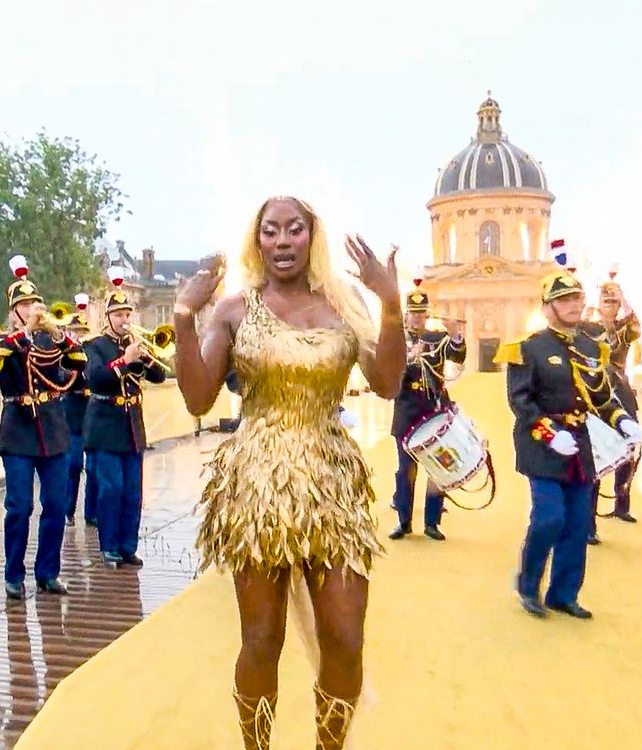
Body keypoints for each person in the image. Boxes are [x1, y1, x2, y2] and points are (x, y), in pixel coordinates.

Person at [172, 196, 404, 749]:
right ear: (257, 241)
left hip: (330, 480)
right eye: (270, 231)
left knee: (345, 639)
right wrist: (184, 317)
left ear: (311, 237)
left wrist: (390, 304)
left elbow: (389, 383)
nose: (282, 241)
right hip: (258, 484)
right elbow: (199, 398)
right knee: (261, 638)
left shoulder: (345, 306)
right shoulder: (234, 310)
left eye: (293, 230)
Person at [498, 267, 641, 620]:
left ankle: (563, 594)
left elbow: (601, 396)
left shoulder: (592, 348)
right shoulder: (528, 349)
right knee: (549, 518)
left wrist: (621, 420)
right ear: (548, 308)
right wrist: (551, 434)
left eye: (576, 297)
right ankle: (528, 584)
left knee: (577, 525)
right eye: (564, 299)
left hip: (579, 447)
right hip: (543, 445)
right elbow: (521, 403)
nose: (574, 304)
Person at [0, 256, 84, 599]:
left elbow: (77, 365)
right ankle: (14, 574)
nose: (31, 309)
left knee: (56, 505)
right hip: (18, 431)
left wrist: (57, 333)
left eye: (33, 303)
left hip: (53, 430)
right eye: (23, 305)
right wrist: (25, 332)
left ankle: (48, 572)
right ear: (13, 311)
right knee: (19, 507)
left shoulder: (48, 341)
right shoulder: (2, 341)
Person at [83, 277, 168, 567]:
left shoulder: (134, 344)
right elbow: (96, 379)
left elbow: (159, 377)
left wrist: (146, 358)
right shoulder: (94, 345)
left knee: (133, 491)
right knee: (111, 489)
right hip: (105, 426)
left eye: (128, 314)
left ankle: (127, 546)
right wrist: (123, 361)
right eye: (119, 315)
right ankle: (109, 546)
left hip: (132, 426)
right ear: (107, 317)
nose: (125, 320)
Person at [389, 280, 466, 541]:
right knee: (406, 470)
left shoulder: (436, 338)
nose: (418, 319)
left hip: (434, 409)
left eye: (422, 314)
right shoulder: (395, 339)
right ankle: (404, 521)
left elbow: (457, 357)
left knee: (437, 468)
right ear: (406, 314)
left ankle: (432, 523)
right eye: (413, 314)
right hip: (407, 412)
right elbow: (389, 372)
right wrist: (411, 356)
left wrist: (456, 336)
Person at [579, 274, 640, 540]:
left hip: (621, 389)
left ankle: (621, 502)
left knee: (628, 448)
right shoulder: (589, 329)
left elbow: (636, 327)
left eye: (613, 302)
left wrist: (623, 298)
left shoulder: (624, 330)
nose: (609, 306)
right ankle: (588, 521)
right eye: (606, 301)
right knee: (596, 452)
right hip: (595, 391)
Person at [62, 310, 95, 527]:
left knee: (93, 466)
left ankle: (92, 513)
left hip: (91, 409)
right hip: (71, 408)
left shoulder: (93, 351)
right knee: (73, 464)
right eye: (75, 331)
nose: (79, 335)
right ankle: (68, 511)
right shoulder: (64, 354)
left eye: (82, 331)